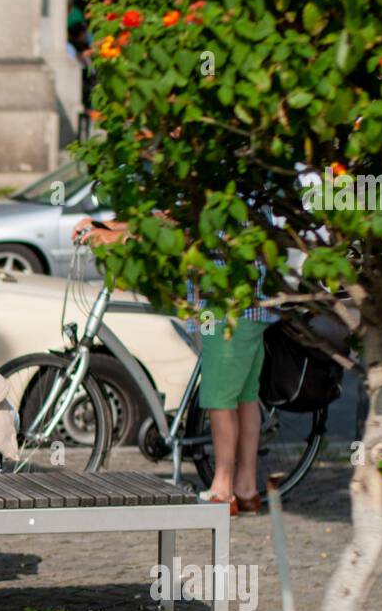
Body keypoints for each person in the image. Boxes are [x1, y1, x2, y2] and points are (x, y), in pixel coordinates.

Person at [71, 216, 271, 517]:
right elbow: (165, 216)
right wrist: (107, 225)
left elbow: (178, 228)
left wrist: (119, 238)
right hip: (240, 304)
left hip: (228, 306)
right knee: (243, 396)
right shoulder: (234, 182)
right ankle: (246, 490)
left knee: (219, 399)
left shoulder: (216, 187)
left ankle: (223, 489)